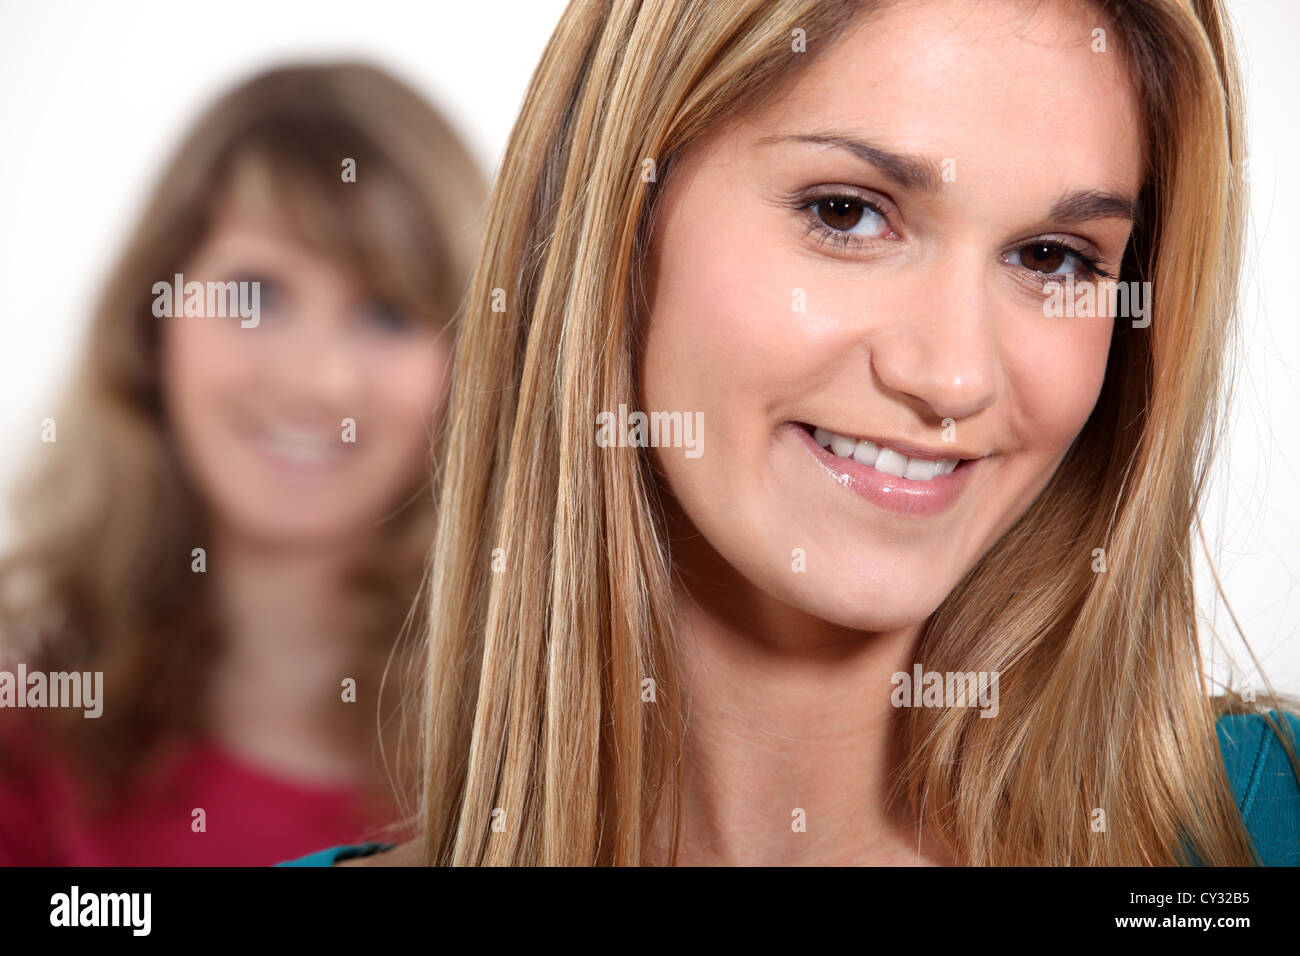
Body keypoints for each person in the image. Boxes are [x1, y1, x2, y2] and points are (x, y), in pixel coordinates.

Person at [281, 0, 1300, 867]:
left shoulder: (1263, 825)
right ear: (616, 225)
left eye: (1052, 256)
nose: (953, 373)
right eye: (849, 214)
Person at [0, 62, 486, 865]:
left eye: (388, 312)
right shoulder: (27, 749)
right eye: (255, 296)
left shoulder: (533, 750)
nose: (317, 380)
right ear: (152, 324)